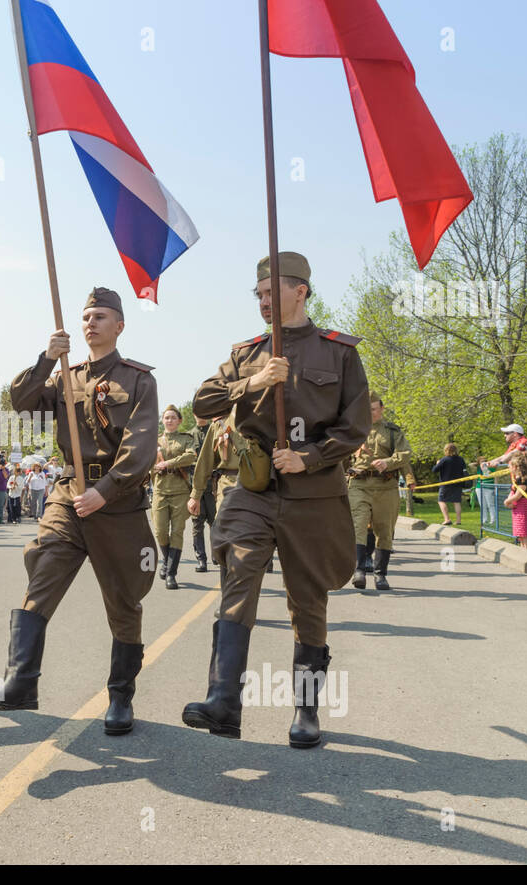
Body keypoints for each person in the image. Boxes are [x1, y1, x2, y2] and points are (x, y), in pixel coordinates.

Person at [183, 252, 369, 749]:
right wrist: (254, 382)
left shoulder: (340, 352)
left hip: (314, 491)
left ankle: (306, 711)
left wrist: (308, 457)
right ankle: (223, 700)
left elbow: (355, 428)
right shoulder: (247, 353)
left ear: (301, 291)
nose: (263, 301)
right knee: (238, 571)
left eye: (271, 292)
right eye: (258, 295)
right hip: (254, 485)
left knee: (307, 601)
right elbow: (202, 402)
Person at [0, 286, 158, 737]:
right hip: (68, 494)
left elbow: (140, 449)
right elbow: (19, 403)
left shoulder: (139, 380)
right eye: (86, 317)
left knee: (123, 601)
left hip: (115, 502)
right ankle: (21, 680)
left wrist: (107, 490)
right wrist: (46, 357)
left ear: (119, 325)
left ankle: (120, 696)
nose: (90, 323)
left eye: (100, 316)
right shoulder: (64, 374)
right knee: (43, 570)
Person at [347, 395, 411, 591]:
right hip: (359, 484)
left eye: (374, 409)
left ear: (382, 408)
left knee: (384, 530)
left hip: (385, 486)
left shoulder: (392, 432)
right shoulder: (354, 430)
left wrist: (388, 462)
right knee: (358, 525)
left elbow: (405, 453)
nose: (370, 413)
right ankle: (358, 570)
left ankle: (380, 575)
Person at [151, 404, 197, 590]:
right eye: (166, 417)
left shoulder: (186, 439)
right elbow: (146, 460)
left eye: (173, 417)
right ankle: (167, 561)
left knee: (177, 531)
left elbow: (191, 456)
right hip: (160, 490)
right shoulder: (154, 441)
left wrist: (168, 463)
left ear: (179, 421)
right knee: (160, 531)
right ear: (162, 421)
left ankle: (171, 573)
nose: (169, 420)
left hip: (180, 491)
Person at [186, 415, 216, 573]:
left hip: (213, 485)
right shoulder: (189, 436)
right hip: (195, 486)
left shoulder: (215, 431)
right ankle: (201, 559)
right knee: (197, 524)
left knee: (215, 521)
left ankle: (216, 554)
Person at [503, 452, 527, 550]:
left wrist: (507, 501)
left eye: (510, 467)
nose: (509, 469)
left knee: (525, 532)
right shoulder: (517, 479)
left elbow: (518, 495)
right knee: (521, 534)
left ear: (516, 467)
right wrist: (510, 502)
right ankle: (523, 550)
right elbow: (513, 491)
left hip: (523, 509)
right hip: (518, 508)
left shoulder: (523, 480)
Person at [432, 443, 467, 524]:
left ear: (446, 450)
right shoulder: (461, 459)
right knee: (456, 502)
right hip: (458, 483)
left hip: (445, 484)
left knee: (441, 500)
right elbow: (464, 469)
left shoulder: (444, 459)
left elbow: (434, 470)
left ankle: (447, 519)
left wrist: (437, 463)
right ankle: (458, 521)